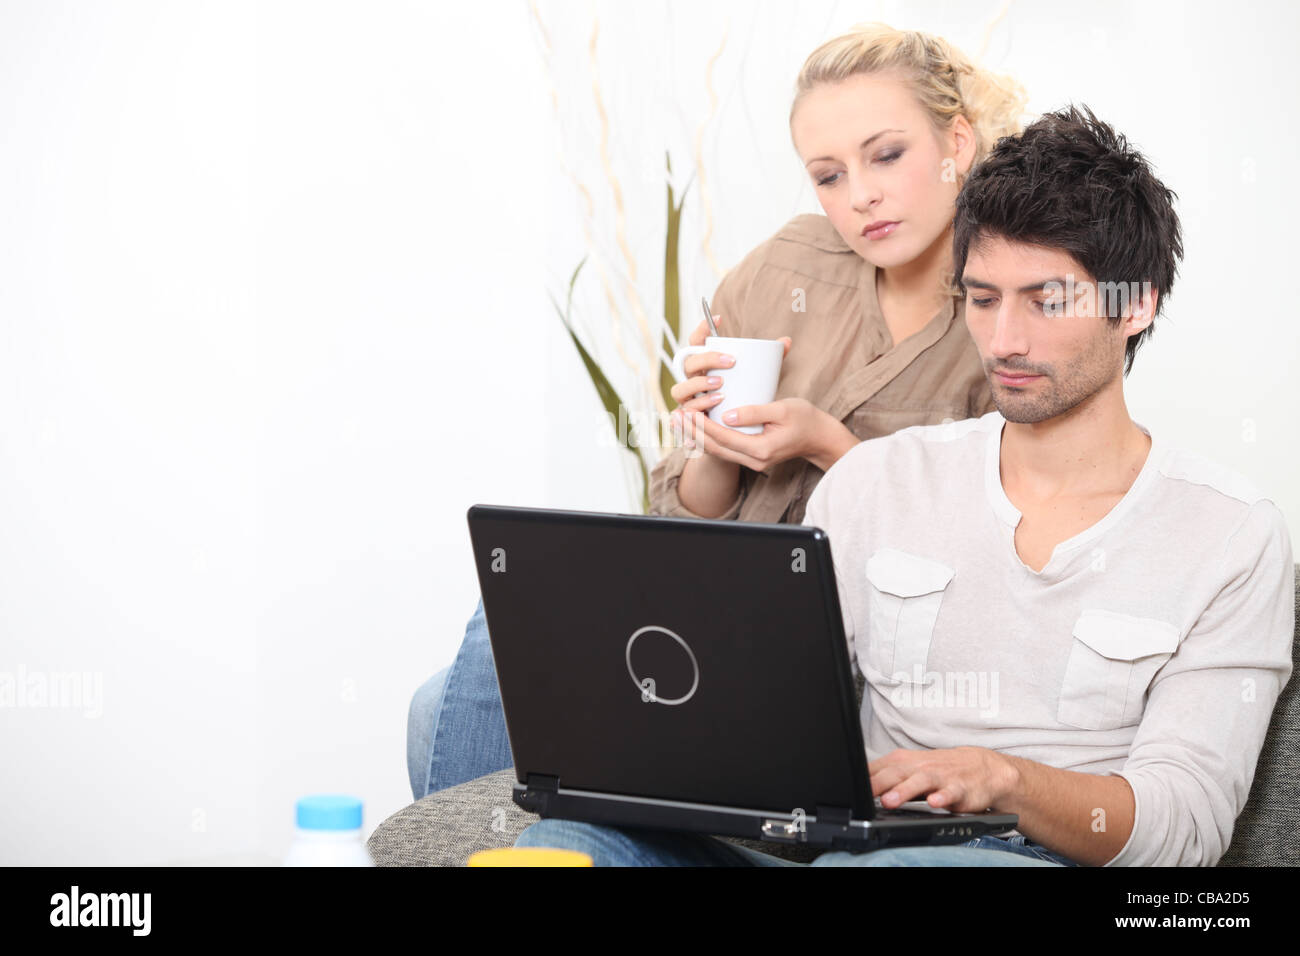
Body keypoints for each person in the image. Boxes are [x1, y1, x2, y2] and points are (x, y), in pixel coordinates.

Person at [514, 104, 1295, 866]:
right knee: (569, 842)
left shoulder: (1229, 535)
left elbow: (1186, 826)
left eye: (1047, 301)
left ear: (1138, 306)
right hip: (856, 846)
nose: (1005, 340)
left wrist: (1005, 782)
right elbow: (771, 720)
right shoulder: (879, 480)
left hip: (1024, 856)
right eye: (982, 300)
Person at [406, 23, 1029, 807]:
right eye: (828, 175)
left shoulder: (1007, 317)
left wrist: (831, 445)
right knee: (502, 626)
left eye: (887, 155)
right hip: (706, 592)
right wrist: (713, 444)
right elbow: (689, 500)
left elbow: (994, 555)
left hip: (850, 645)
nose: (860, 195)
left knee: (454, 702)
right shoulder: (786, 268)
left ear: (957, 143)